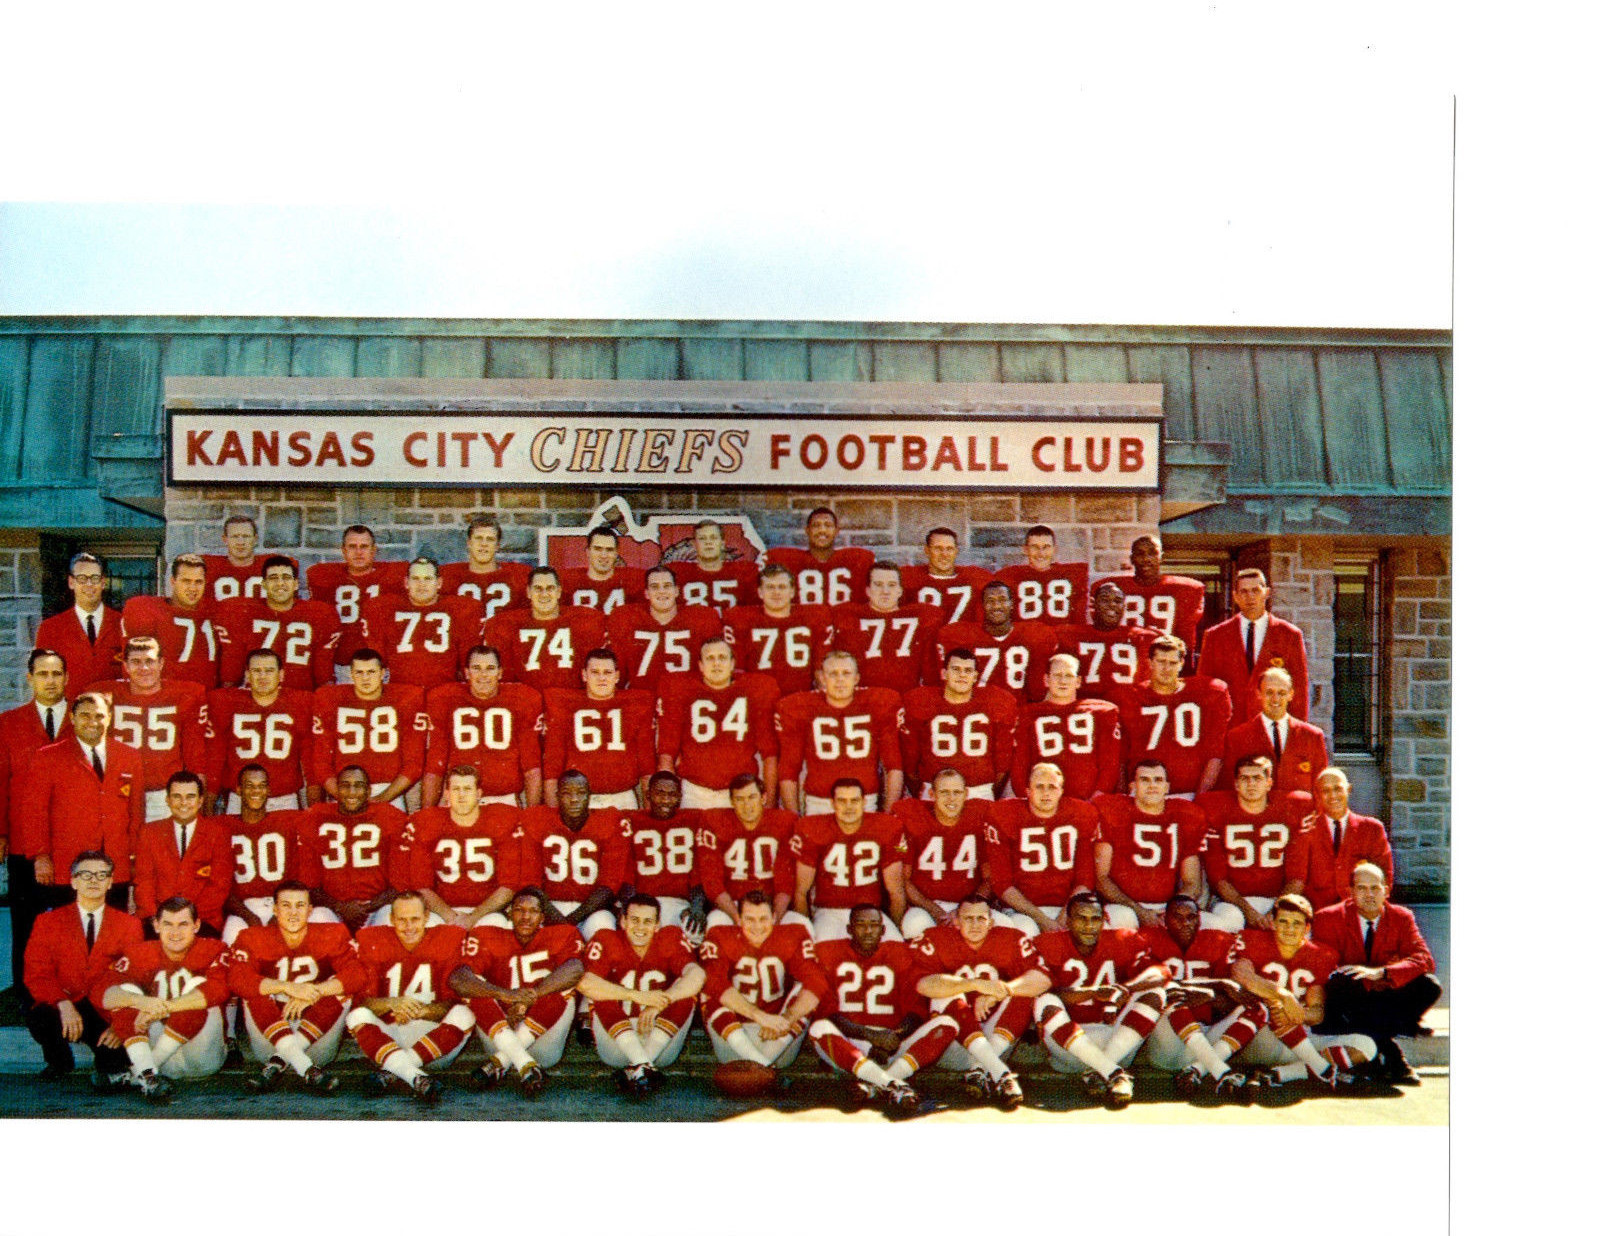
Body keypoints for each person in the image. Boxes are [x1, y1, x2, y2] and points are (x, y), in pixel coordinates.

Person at [1220, 893, 1376, 1095]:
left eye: (1297, 923)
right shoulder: (1254, 940)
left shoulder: (1319, 954)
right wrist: (1283, 997)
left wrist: (1299, 1014)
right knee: (1268, 1007)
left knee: (1366, 1046)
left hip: (1296, 1040)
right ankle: (1323, 1071)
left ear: (1307, 928)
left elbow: (1317, 1012)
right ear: (1273, 923)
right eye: (1283, 921)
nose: (1289, 928)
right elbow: (1242, 975)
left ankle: (1280, 1074)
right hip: (1256, 1035)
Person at [905, 895, 1050, 1109]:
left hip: (996, 1041)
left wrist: (1001, 991)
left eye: (980, 918)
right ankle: (997, 1072)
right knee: (947, 993)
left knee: (1022, 994)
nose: (974, 925)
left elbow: (1043, 978)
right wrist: (974, 985)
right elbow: (923, 985)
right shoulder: (934, 938)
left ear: (991, 922)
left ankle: (981, 1070)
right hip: (951, 1044)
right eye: (968, 918)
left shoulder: (1011, 938)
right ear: (956, 921)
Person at [808, 904, 956, 1111]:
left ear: (883, 930)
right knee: (818, 1029)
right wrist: (869, 1035)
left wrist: (895, 1036)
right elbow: (828, 1013)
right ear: (849, 929)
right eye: (861, 925)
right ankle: (892, 1084)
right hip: (852, 1044)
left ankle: (877, 1084)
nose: (868, 931)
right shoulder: (829, 952)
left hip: (890, 1046)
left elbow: (916, 1008)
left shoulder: (899, 953)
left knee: (947, 1024)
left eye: (874, 925)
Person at [1031, 892, 1170, 1108]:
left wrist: (1127, 987)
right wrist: (1092, 992)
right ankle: (1112, 1073)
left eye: (1095, 919)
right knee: (1044, 1000)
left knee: (1157, 994)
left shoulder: (1122, 939)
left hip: (1116, 1045)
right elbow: (1045, 992)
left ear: (1104, 920)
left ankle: (1101, 1071)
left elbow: (1161, 972)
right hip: (1070, 1048)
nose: (1089, 926)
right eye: (1081, 918)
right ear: (1067, 921)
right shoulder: (1049, 943)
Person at [227, 880, 364, 1092]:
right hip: (270, 1037)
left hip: (315, 1040)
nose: (293, 912)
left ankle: (279, 1063)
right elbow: (237, 978)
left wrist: (315, 991)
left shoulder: (331, 933)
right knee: (254, 990)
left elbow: (357, 975)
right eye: (286, 905)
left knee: (339, 987)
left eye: (300, 905)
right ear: (274, 909)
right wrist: (288, 987)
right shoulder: (252, 937)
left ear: (310, 910)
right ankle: (305, 1068)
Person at [1311, 862, 1441, 1085]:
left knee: (1429, 985)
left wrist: (1382, 973)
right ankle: (1393, 1055)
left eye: (1375, 888)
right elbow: (1325, 967)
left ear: (1386, 890)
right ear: (1350, 892)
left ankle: (1377, 1040)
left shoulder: (1402, 917)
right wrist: (1364, 978)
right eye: (1361, 888)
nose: (1369, 894)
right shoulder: (1328, 917)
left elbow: (1424, 959)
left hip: (1383, 992)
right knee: (1341, 982)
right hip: (1350, 997)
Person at [448, 886, 585, 1095]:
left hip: (542, 1037)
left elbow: (575, 969)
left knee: (565, 987)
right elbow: (458, 978)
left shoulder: (562, 934)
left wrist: (532, 997)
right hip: (501, 1032)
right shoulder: (487, 936)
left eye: (533, 911)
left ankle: (501, 1063)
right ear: (509, 913)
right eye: (520, 910)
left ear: (543, 916)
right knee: (474, 988)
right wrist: (505, 995)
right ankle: (524, 1064)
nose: (526, 917)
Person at [14, 691, 142, 914]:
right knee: (72, 931)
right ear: (72, 718)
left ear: (110, 718)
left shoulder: (129, 756)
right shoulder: (48, 756)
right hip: (69, 864)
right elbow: (34, 812)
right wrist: (41, 856)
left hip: (115, 863)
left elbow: (136, 811)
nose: (93, 722)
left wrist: (132, 857)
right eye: (85, 715)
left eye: (99, 716)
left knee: (111, 931)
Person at [23, 850, 144, 1087]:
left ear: (111, 882)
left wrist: (121, 1024)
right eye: (86, 875)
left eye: (101, 875)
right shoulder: (47, 921)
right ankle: (59, 1060)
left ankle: (110, 1061)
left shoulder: (129, 925)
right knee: (37, 1015)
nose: (93, 881)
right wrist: (62, 1002)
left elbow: (136, 978)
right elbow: (37, 973)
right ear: (73, 881)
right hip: (66, 1000)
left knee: (113, 1067)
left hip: (103, 1008)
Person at [347, 891, 477, 1104]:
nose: (408, 927)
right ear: (391, 919)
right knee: (356, 1015)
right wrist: (392, 1003)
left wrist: (423, 1010)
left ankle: (394, 1072)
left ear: (427, 917)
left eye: (415, 919)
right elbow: (364, 1002)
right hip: (391, 1038)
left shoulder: (447, 938)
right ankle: (416, 1077)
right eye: (402, 920)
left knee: (464, 1014)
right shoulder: (373, 939)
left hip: (434, 1044)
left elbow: (452, 1004)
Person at [96, 895, 231, 1097]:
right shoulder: (139, 953)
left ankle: (138, 1074)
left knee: (196, 989)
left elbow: (217, 991)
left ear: (196, 925)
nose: (175, 932)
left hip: (203, 1056)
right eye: (168, 924)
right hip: (164, 1058)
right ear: (156, 925)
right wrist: (135, 1007)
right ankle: (148, 1075)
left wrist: (162, 1008)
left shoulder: (214, 949)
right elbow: (104, 993)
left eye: (183, 924)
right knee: (127, 992)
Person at [578, 892, 708, 1094]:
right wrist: (637, 996)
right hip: (616, 1044)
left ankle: (641, 1066)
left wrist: (663, 1001)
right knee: (601, 990)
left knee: (685, 991)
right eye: (634, 920)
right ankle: (643, 1065)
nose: (640, 927)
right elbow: (584, 982)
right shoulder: (607, 938)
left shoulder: (669, 937)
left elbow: (697, 974)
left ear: (657, 925)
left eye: (648, 921)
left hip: (659, 1042)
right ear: (623, 921)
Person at [1, 650, 72, 993]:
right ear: (30, 679)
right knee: (25, 921)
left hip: (72, 839)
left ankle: (69, 988)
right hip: (25, 840)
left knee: (68, 919)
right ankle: (26, 992)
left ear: (66, 678)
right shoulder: (9, 723)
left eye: (57, 674)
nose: (50, 680)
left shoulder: (83, 719)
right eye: (43, 674)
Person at [698, 890, 829, 1069]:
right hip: (734, 1038)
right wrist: (758, 1016)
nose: (757, 926)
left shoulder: (791, 936)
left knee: (806, 989)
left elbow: (817, 982)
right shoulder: (721, 935)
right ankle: (765, 1067)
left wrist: (786, 1019)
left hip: (778, 1039)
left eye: (763, 919)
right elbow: (713, 981)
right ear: (739, 918)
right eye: (750, 919)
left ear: (774, 918)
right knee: (707, 985)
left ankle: (764, 1065)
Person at [1138, 894, 1252, 1099]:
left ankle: (1196, 1070)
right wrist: (1216, 985)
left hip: (1206, 1039)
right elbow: (1159, 985)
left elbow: (1229, 1001)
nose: (1185, 923)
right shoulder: (1148, 938)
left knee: (1254, 1008)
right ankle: (1220, 1071)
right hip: (1167, 1044)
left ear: (1199, 919)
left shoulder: (1218, 941)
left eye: (1191, 917)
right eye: (1177, 917)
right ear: (1164, 919)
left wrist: (1209, 997)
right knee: (1171, 997)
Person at [87, 635, 208, 822]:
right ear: (125, 666)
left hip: (165, 795)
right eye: (136, 662)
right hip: (120, 792)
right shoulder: (105, 694)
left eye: (149, 661)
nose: (144, 668)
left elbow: (195, 756)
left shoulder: (185, 695)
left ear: (161, 663)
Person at [655, 637, 780, 808]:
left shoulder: (752, 692)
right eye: (710, 658)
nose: (716, 664)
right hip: (694, 791)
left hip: (740, 792)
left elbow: (770, 755)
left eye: (722, 658)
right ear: (700, 666)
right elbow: (667, 753)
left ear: (732, 663)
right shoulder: (684, 692)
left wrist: (770, 803)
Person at [776, 649, 903, 814]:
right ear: (822, 678)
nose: (840, 680)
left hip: (864, 802)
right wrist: (793, 817)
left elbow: (893, 766)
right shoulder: (803, 708)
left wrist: (887, 815)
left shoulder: (876, 705)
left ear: (856, 678)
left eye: (846, 673)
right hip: (819, 803)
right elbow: (789, 770)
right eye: (833, 674)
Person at [1197, 755, 1312, 932]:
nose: (1251, 784)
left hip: (1277, 899)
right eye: (1245, 778)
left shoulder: (1290, 812)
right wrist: (1248, 911)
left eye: (1257, 778)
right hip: (1233, 903)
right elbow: (1218, 879)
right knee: (1223, 924)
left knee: (1300, 932)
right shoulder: (1219, 813)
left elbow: (1297, 878)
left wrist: (1276, 910)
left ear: (1269, 783)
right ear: (1236, 784)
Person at [983, 762, 1099, 936]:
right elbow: (1002, 884)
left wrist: (1063, 917)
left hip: (1066, 908)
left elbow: (1085, 880)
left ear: (1061, 791)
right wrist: (1042, 920)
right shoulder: (1005, 815)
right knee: (1024, 930)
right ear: (1028, 791)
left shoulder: (1080, 814)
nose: (1046, 793)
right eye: (1039, 787)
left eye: (1052, 787)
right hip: (1021, 911)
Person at [1092, 759, 1208, 931]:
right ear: (1133, 786)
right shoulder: (1115, 812)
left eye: (1158, 780)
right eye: (1145, 780)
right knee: (1123, 920)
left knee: (1216, 925)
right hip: (1123, 907)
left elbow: (1192, 882)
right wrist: (1139, 911)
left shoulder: (1184, 816)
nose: (1152, 785)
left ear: (1167, 787)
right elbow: (1101, 877)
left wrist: (1172, 910)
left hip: (1167, 907)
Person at [1111, 633, 1232, 797]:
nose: (1167, 669)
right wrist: (1123, 794)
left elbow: (1215, 753)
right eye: (1161, 661)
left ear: (1182, 664)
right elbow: (1121, 757)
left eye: (1173, 663)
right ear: (1149, 662)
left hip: (1189, 792)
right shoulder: (1130, 697)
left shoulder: (1207, 692)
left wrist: (1201, 796)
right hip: (1142, 793)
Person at [421, 645, 541, 808]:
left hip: (503, 800)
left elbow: (532, 769)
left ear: (500, 673)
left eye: (490, 668)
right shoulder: (446, 699)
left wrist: (532, 815)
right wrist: (426, 813)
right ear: (467, 673)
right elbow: (435, 767)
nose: (483, 675)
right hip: (458, 799)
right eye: (476, 668)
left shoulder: (521, 700)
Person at [295, 765, 411, 931]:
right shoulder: (316, 817)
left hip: (376, 908)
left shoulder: (390, 817)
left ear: (369, 791)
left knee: (391, 916)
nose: (351, 792)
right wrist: (341, 907)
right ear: (336, 789)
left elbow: (400, 884)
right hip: (333, 909)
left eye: (358, 786)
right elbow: (309, 885)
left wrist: (365, 908)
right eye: (345, 785)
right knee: (315, 918)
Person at [517, 769, 631, 937]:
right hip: (549, 908)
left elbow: (609, 886)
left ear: (590, 795)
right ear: (557, 796)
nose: (574, 799)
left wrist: (569, 924)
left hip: (593, 910)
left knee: (603, 931)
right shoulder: (537, 820)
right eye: (566, 794)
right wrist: (561, 923)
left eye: (581, 793)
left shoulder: (609, 821)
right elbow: (531, 883)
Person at [404, 765, 520, 929]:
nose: (462, 795)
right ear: (446, 794)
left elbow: (508, 886)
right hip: (441, 913)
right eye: (456, 789)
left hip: (487, 913)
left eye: (467, 789)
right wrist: (450, 917)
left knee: (498, 926)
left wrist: (473, 917)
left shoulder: (500, 822)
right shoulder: (429, 823)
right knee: (426, 929)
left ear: (479, 794)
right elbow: (421, 886)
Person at [793, 778, 908, 941]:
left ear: (864, 802)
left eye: (854, 800)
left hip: (871, 913)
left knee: (895, 948)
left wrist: (895, 926)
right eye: (842, 801)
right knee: (822, 953)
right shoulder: (812, 828)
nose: (849, 807)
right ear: (832, 803)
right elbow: (800, 891)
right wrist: (807, 932)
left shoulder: (888, 827)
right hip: (829, 912)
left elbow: (896, 891)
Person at [310, 647, 427, 807]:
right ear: (350, 674)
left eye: (371, 672)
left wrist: (383, 798)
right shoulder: (330, 699)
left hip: (388, 790)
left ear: (382, 673)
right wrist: (344, 796)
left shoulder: (406, 699)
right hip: (345, 790)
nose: (365, 678)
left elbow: (414, 765)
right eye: (359, 672)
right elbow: (321, 764)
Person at [203, 647, 315, 813]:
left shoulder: (300, 703)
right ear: (247, 675)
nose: (262, 677)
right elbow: (215, 760)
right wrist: (209, 805)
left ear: (281, 675)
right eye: (256, 671)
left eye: (269, 671)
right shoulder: (228, 702)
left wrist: (312, 807)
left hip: (283, 800)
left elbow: (309, 763)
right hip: (240, 799)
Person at [541, 648, 656, 808]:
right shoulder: (565, 707)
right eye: (595, 672)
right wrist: (553, 813)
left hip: (623, 798)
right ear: (584, 675)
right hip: (578, 803)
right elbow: (552, 770)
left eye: (607, 672)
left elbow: (647, 768)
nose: (601, 678)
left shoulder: (634, 706)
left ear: (617, 676)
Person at [898, 648, 1017, 800]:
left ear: (975, 677)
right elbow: (910, 765)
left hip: (978, 790)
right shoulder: (922, 702)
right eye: (956, 669)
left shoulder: (993, 703)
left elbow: (1002, 767)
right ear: (944, 673)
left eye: (968, 670)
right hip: (934, 789)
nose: (962, 675)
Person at [1196, 568, 1310, 724]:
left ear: (1267, 593)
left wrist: (1296, 734)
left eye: (1256, 590)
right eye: (1244, 591)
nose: (1250, 597)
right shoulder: (1215, 636)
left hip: (1271, 728)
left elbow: (1299, 691)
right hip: (1230, 729)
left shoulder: (1289, 635)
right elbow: (1204, 690)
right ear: (1235, 596)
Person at [219, 764, 316, 944]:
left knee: (321, 921)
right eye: (249, 785)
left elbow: (301, 876)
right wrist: (249, 917)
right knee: (233, 938)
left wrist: (282, 911)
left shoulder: (288, 820)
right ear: (239, 790)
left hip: (286, 903)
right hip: (244, 908)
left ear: (268, 790)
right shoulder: (223, 827)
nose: (256, 791)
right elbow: (222, 886)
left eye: (261, 785)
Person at [214, 555, 342, 690]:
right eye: (273, 578)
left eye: (286, 578)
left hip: (299, 699)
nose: (280, 583)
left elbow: (324, 677)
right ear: (263, 584)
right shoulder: (244, 612)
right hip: (254, 698)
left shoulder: (319, 614)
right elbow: (231, 677)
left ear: (296, 584)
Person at [360, 556, 486, 690]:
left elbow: (467, 665)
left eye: (427, 578)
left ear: (439, 583)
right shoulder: (385, 608)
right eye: (416, 579)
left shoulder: (460, 610)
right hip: (401, 692)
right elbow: (377, 663)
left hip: (444, 691)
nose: (421, 584)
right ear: (406, 582)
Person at [893, 770, 991, 939]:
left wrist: (967, 907)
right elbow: (904, 880)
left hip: (970, 905)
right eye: (944, 792)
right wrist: (932, 909)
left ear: (966, 794)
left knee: (1006, 925)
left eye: (957, 792)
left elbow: (990, 878)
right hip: (925, 906)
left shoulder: (980, 816)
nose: (951, 798)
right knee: (914, 926)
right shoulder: (913, 818)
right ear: (932, 794)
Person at [305, 524, 409, 683]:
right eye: (352, 547)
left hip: (381, 666)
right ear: (343, 551)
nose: (359, 552)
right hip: (343, 666)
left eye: (364, 547)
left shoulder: (393, 577)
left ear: (374, 550)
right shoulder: (328, 577)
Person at [695, 772, 799, 930]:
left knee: (803, 926)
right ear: (731, 801)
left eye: (752, 797)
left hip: (770, 905)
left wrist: (775, 917)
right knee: (714, 926)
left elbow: (786, 883)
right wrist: (736, 916)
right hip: (732, 904)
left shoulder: (785, 822)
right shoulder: (714, 821)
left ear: (763, 798)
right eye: (739, 799)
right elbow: (712, 881)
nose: (747, 805)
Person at [1011, 652, 1122, 800]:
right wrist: (1027, 797)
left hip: (1087, 799)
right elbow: (1020, 763)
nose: (1063, 681)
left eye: (1069, 676)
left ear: (1078, 681)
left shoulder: (1102, 711)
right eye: (1057, 675)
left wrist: (1099, 794)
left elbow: (1109, 763)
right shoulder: (1029, 714)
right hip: (1043, 799)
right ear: (1046, 679)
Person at [132, 772, 232, 935]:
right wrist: (157, 918)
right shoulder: (150, 832)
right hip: (158, 920)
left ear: (201, 800)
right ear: (168, 800)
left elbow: (219, 886)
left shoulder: (218, 834)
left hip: (201, 920)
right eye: (177, 796)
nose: (183, 803)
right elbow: (144, 882)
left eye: (190, 796)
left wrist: (189, 920)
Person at [1283, 767, 1395, 910]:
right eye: (1326, 791)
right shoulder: (1305, 832)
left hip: (1359, 910)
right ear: (1317, 795)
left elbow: (1385, 877)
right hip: (1318, 912)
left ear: (1348, 790)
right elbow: (1296, 880)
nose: (1333, 795)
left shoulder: (1372, 829)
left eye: (1338, 788)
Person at [483, 565, 606, 693]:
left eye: (550, 588)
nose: (544, 594)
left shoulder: (583, 619)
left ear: (558, 592)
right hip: (529, 702)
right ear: (528, 592)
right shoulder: (508, 623)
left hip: (568, 700)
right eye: (538, 588)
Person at [928, 580, 1057, 703]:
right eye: (990, 601)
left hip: (1017, 708)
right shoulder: (963, 636)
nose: (996, 606)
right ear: (983, 605)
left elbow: (1037, 691)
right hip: (978, 709)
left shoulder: (1030, 635)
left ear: (1011, 604)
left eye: (1002, 600)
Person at [826, 562, 943, 694]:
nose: (885, 591)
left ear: (900, 590)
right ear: (868, 590)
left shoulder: (919, 617)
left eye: (892, 585)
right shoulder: (850, 617)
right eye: (878, 585)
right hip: (864, 698)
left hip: (906, 696)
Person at [605, 566, 724, 693]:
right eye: (655, 587)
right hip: (644, 698)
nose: (661, 591)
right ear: (646, 593)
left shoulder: (700, 618)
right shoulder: (627, 619)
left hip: (686, 697)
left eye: (667, 586)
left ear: (676, 591)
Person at [722, 563, 833, 697]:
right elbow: (737, 672)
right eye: (770, 587)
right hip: (759, 697)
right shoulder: (741, 620)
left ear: (792, 591)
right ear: (760, 592)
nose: (776, 592)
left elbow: (820, 670)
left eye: (782, 587)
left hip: (801, 696)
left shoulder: (813, 617)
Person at [625, 772, 710, 943]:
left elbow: (699, 869)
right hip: (644, 904)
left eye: (671, 795)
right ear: (648, 795)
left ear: (680, 797)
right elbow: (627, 871)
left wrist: (697, 906)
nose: (665, 800)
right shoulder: (632, 820)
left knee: (694, 931)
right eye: (660, 794)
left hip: (680, 903)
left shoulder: (694, 819)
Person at [1220, 666, 1329, 796]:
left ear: (1291, 695)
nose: (1275, 699)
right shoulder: (1238, 737)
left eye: (1282, 693)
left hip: (1298, 814)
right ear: (1259, 694)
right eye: (1269, 692)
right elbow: (1230, 787)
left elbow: (1321, 788)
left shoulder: (1312, 736)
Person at [122, 553, 221, 688]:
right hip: (165, 700)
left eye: (198, 582)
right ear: (173, 581)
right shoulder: (149, 610)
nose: (193, 588)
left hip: (203, 698)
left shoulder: (213, 614)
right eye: (186, 581)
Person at [1052, 580, 1161, 700]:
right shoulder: (1070, 635)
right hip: (1087, 705)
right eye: (1105, 600)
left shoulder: (1143, 637)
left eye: (1117, 601)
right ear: (1094, 605)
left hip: (1129, 705)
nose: (1112, 605)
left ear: (1124, 607)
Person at [34, 551, 124, 693]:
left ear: (103, 582)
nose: (89, 584)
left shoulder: (122, 623)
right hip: (69, 711)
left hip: (113, 710)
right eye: (82, 578)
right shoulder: (50, 628)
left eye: (94, 578)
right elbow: (43, 679)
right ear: (71, 582)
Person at [1096, 534, 1206, 648]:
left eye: (1152, 553)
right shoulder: (1113, 587)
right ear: (1132, 559)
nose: (1146, 559)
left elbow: (1186, 637)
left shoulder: (1184, 588)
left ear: (1161, 557)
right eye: (1140, 553)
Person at [765, 506, 875, 607]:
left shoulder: (857, 558)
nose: (822, 530)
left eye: (828, 525)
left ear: (836, 531)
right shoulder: (788, 559)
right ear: (807, 530)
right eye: (816, 525)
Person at [440, 513, 531, 621]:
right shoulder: (447, 576)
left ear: (497, 546)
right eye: (478, 538)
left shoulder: (519, 576)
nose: (484, 544)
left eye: (490, 539)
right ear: (469, 543)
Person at [992, 524, 1089, 625]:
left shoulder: (1071, 574)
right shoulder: (1010, 575)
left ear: (1054, 550)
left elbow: (1079, 618)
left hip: (1060, 637)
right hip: (1025, 637)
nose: (1041, 553)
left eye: (1046, 547)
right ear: (1025, 550)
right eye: (1035, 547)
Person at [901, 526, 992, 624]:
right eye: (938, 548)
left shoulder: (975, 576)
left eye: (949, 549)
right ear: (927, 550)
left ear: (956, 551)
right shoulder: (910, 577)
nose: (944, 554)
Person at [668, 519, 760, 611]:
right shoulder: (678, 572)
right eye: (702, 538)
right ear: (695, 544)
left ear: (723, 544)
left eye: (713, 537)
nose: (708, 542)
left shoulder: (743, 571)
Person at [203, 515, 296, 603]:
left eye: (246, 536)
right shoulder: (209, 564)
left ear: (255, 539)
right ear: (225, 539)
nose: (240, 542)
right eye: (235, 536)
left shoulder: (270, 564)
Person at [559, 525, 647, 615]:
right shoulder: (568, 580)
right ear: (588, 552)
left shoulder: (633, 579)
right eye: (598, 549)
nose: (604, 555)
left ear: (616, 553)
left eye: (609, 550)